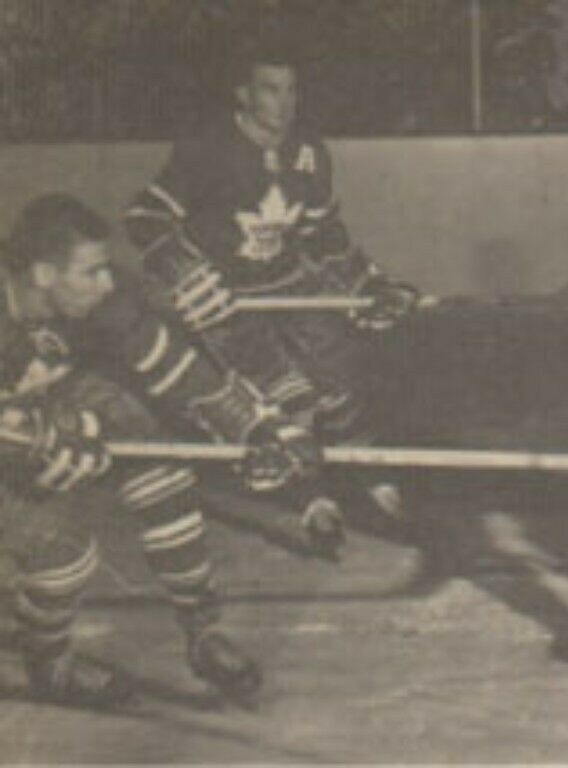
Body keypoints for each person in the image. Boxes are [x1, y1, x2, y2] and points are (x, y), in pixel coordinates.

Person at [2, 194, 321, 704]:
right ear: (42, 274)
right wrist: (34, 438)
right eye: (91, 272)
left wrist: (252, 427)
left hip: (40, 405)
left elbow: (175, 367)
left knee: (150, 449)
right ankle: (49, 664)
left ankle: (203, 630)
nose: (107, 283)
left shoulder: (103, 300)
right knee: (64, 562)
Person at [122, 39, 422, 559]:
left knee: (341, 383)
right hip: (231, 300)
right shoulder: (205, 149)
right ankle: (314, 501)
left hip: (292, 285)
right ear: (243, 93)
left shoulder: (309, 150)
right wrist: (185, 272)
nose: (283, 103)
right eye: (269, 89)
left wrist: (367, 282)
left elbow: (323, 232)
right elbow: (143, 217)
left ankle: (371, 477)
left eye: (291, 90)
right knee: (289, 398)